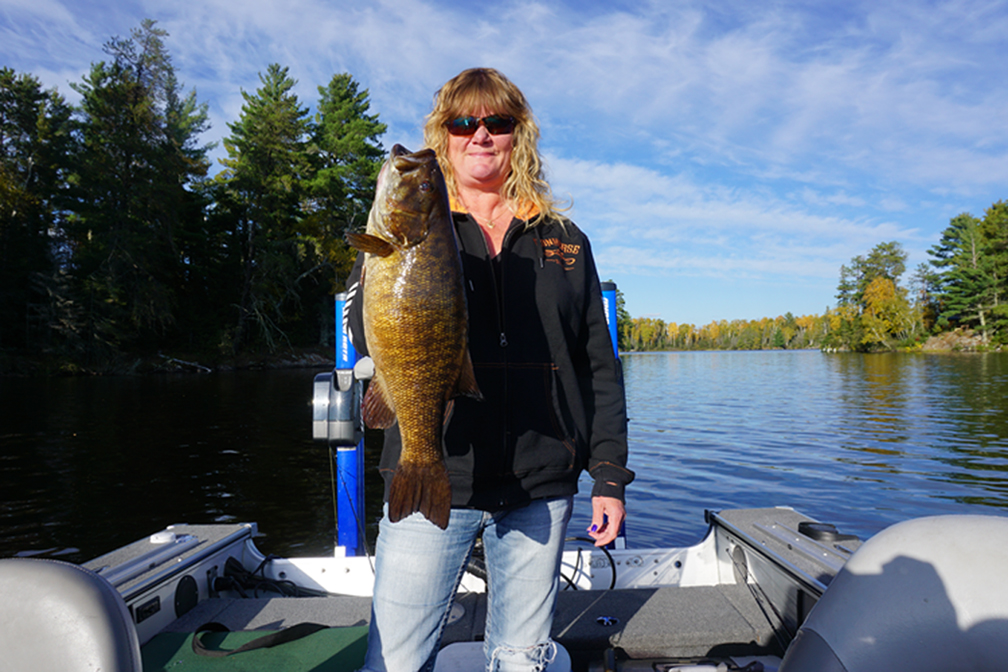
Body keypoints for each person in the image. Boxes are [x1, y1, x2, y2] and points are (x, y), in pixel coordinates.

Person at [346, 67, 633, 672]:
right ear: (444, 135)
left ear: (516, 136)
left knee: (523, 659)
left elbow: (597, 368)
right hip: (432, 468)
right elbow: (362, 329)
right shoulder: (411, 232)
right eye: (463, 122)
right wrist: (376, 272)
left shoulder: (566, 241)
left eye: (496, 123)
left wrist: (608, 475)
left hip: (540, 482)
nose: (480, 135)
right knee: (394, 659)